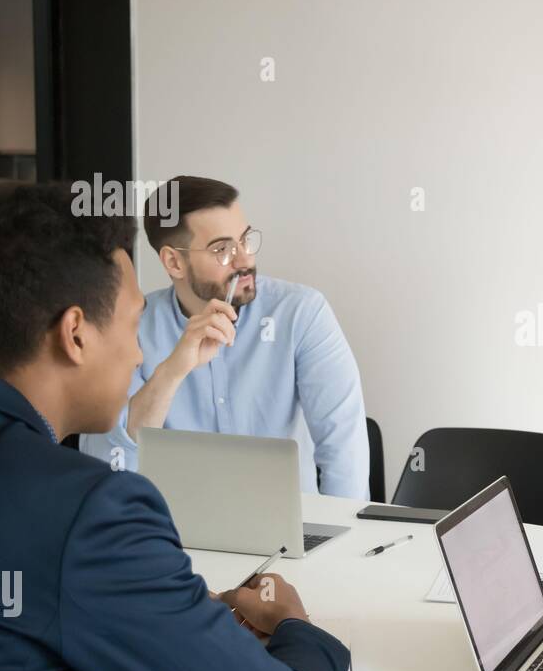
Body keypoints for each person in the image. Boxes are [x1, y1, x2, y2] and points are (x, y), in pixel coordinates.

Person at [0, 185, 348, 671]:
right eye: (131, 327)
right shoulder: (89, 510)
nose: (139, 355)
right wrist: (297, 626)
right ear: (76, 334)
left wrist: (173, 608)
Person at [80, 175, 370, 498]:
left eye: (245, 240)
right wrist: (173, 369)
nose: (245, 260)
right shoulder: (134, 328)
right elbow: (108, 459)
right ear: (174, 262)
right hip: (175, 537)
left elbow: (345, 451)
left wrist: (338, 541)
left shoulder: (300, 314)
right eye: (222, 249)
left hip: (292, 537)